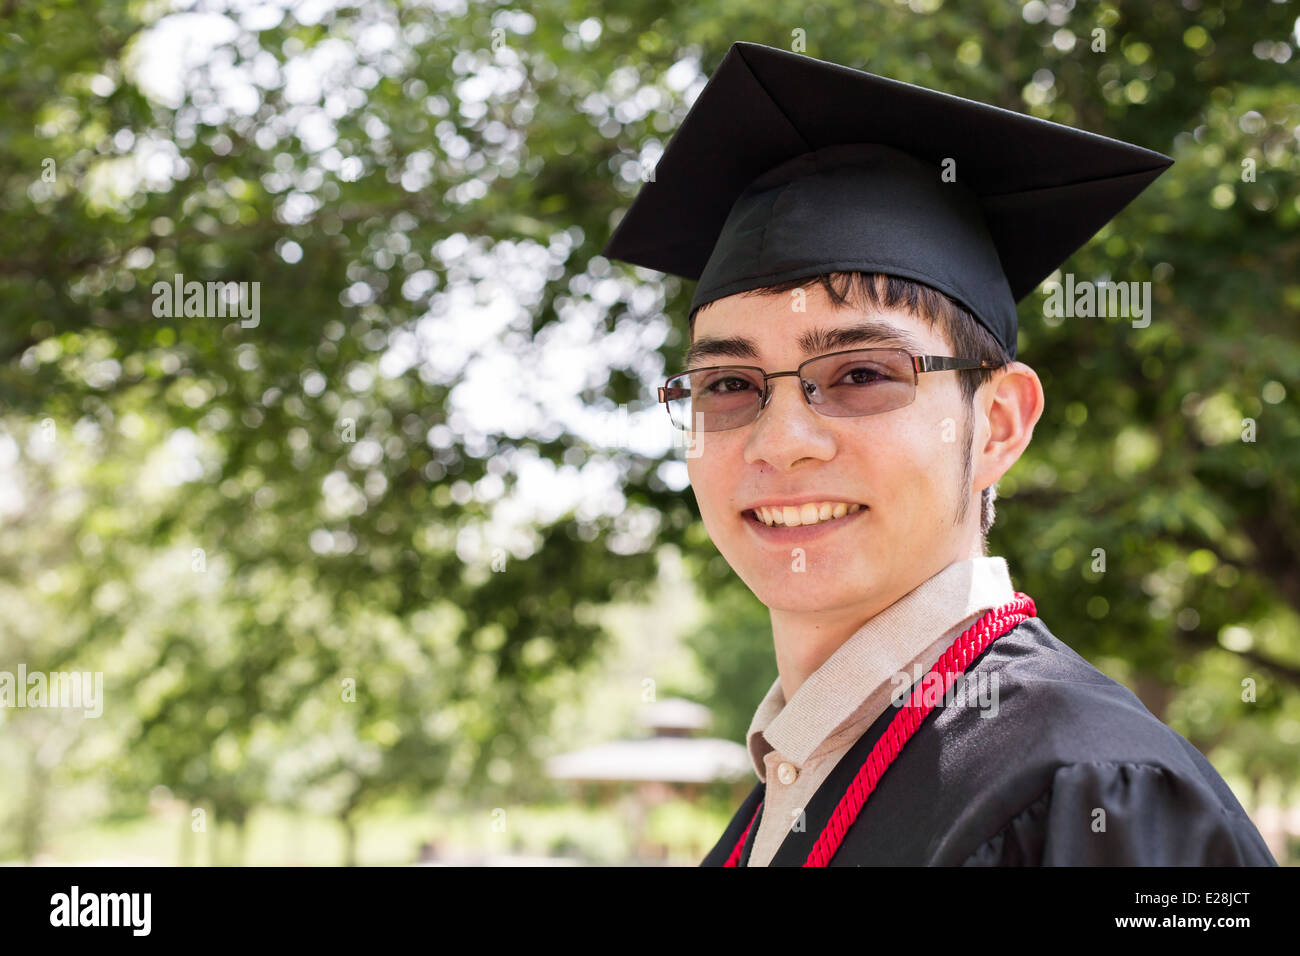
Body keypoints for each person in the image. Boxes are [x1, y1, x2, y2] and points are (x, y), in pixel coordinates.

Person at [601, 41, 1276, 866]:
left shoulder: (1089, 792)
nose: (781, 442)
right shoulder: (785, 792)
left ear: (997, 424)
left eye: (859, 373)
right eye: (729, 385)